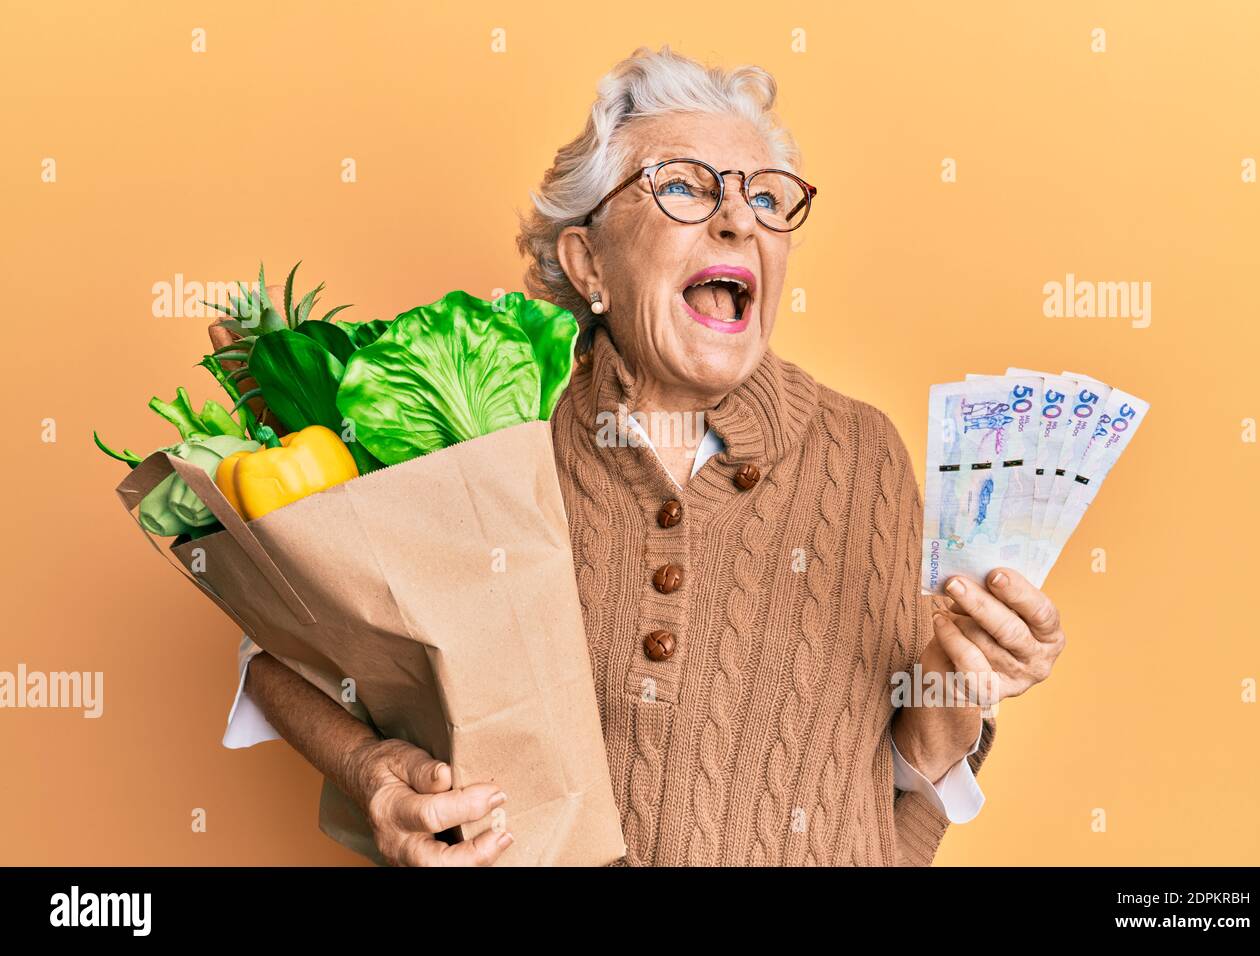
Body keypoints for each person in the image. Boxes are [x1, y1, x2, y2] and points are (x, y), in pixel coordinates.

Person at [220, 44, 1066, 867]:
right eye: (684, 187)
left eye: (767, 200)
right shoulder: (496, 439)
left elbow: (902, 777)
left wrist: (959, 676)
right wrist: (372, 776)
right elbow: (288, 653)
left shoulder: (863, 454)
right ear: (589, 261)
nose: (739, 218)